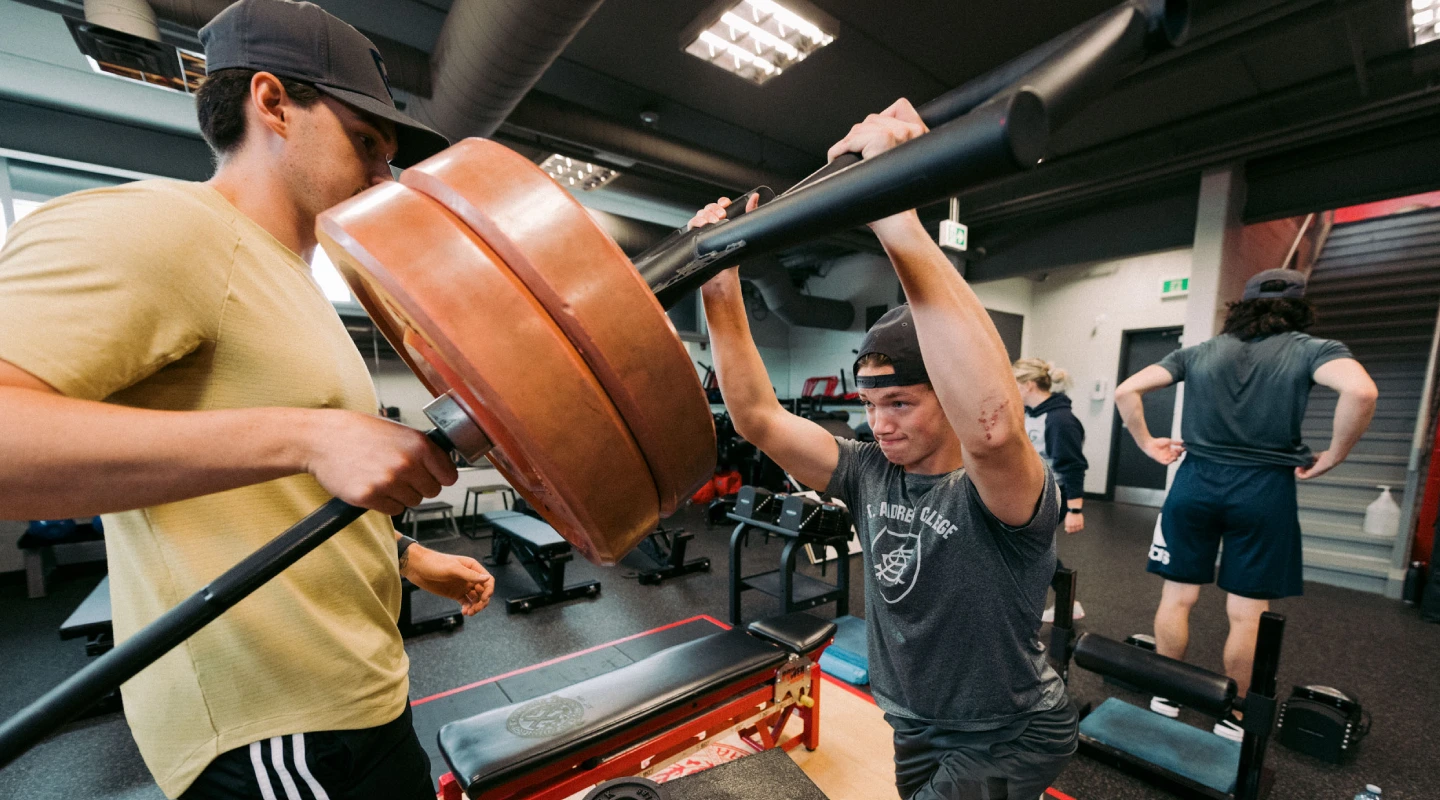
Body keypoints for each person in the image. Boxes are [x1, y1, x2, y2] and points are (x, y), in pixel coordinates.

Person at [0, 1, 496, 797]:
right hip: (272, 730)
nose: (383, 176)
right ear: (271, 104)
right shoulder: (163, 228)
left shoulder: (293, 281)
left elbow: (279, 497)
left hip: (360, 694)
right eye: (366, 144)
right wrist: (307, 436)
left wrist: (407, 557)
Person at [693, 99, 1076, 800]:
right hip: (914, 721)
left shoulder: (1005, 490)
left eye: (900, 402)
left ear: (949, 395)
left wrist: (894, 205)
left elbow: (992, 428)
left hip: (1007, 731)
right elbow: (754, 416)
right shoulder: (868, 473)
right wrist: (721, 287)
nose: (880, 424)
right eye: (870, 405)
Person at [1114, 268, 1377, 741]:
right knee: (1246, 612)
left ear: (1242, 306)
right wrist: (1336, 454)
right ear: (1298, 308)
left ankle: (1166, 694)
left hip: (1194, 484)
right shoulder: (1312, 349)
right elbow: (1361, 390)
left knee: (1177, 597)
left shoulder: (1198, 352)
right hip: (1263, 491)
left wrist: (1147, 442)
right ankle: (1232, 715)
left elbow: (1125, 390)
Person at [1014, 358, 1088, 622]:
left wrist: (1075, 509)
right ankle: (1067, 602)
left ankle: (1067, 602)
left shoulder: (1060, 420)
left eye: (1015, 383)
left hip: (1056, 494)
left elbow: (1073, 466)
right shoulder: (1027, 414)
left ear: (1029, 385)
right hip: (1031, 492)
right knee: (1028, 548)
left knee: (1030, 548)